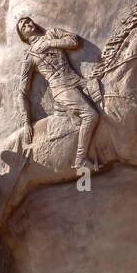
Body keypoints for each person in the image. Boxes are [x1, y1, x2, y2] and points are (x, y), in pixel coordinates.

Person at [16, 16, 99, 173]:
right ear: (23, 36)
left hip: (77, 80)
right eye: (23, 27)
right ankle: (80, 160)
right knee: (91, 115)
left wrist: (50, 43)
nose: (28, 25)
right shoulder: (30, 56)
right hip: (61, 89)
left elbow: (74, 40)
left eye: (28, 22)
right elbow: (22, 91)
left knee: (105, 98)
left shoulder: (51, 34)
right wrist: (26, 121)